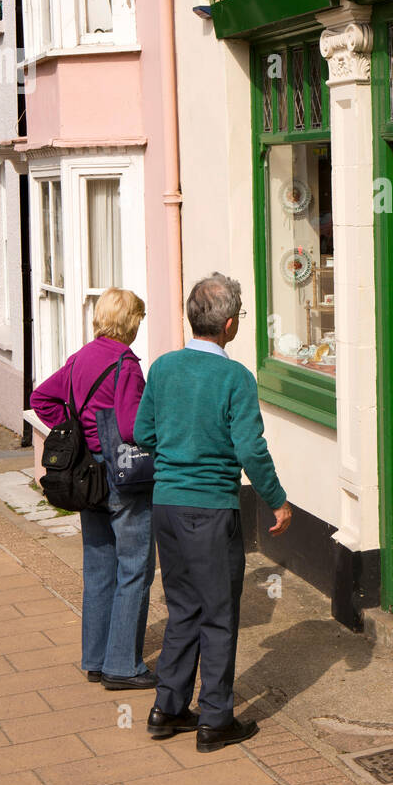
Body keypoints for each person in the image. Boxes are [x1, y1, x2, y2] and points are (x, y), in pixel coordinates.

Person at [134, 273, 292, 752]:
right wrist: (278, 499)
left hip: (166, 505)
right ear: (228, 325)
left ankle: (168, 708)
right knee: (219, 614)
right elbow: (250, 447)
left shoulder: (163, 368)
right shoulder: (236, 378)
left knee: (183, 608)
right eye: (239, 317)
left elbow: (144, 432)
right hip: (211, 509)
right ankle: (216, 718)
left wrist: (180, 451)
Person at [30, 288, 155, 690]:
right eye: (139, 318)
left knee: (99, 568)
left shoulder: (80, 358)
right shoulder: (126, 365)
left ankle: (96, 658)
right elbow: (132, 427)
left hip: (87, 477)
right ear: (129, 322)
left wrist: (77, 430)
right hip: (122, 477)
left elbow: (41, 397)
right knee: (134, 569)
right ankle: (123, 666)